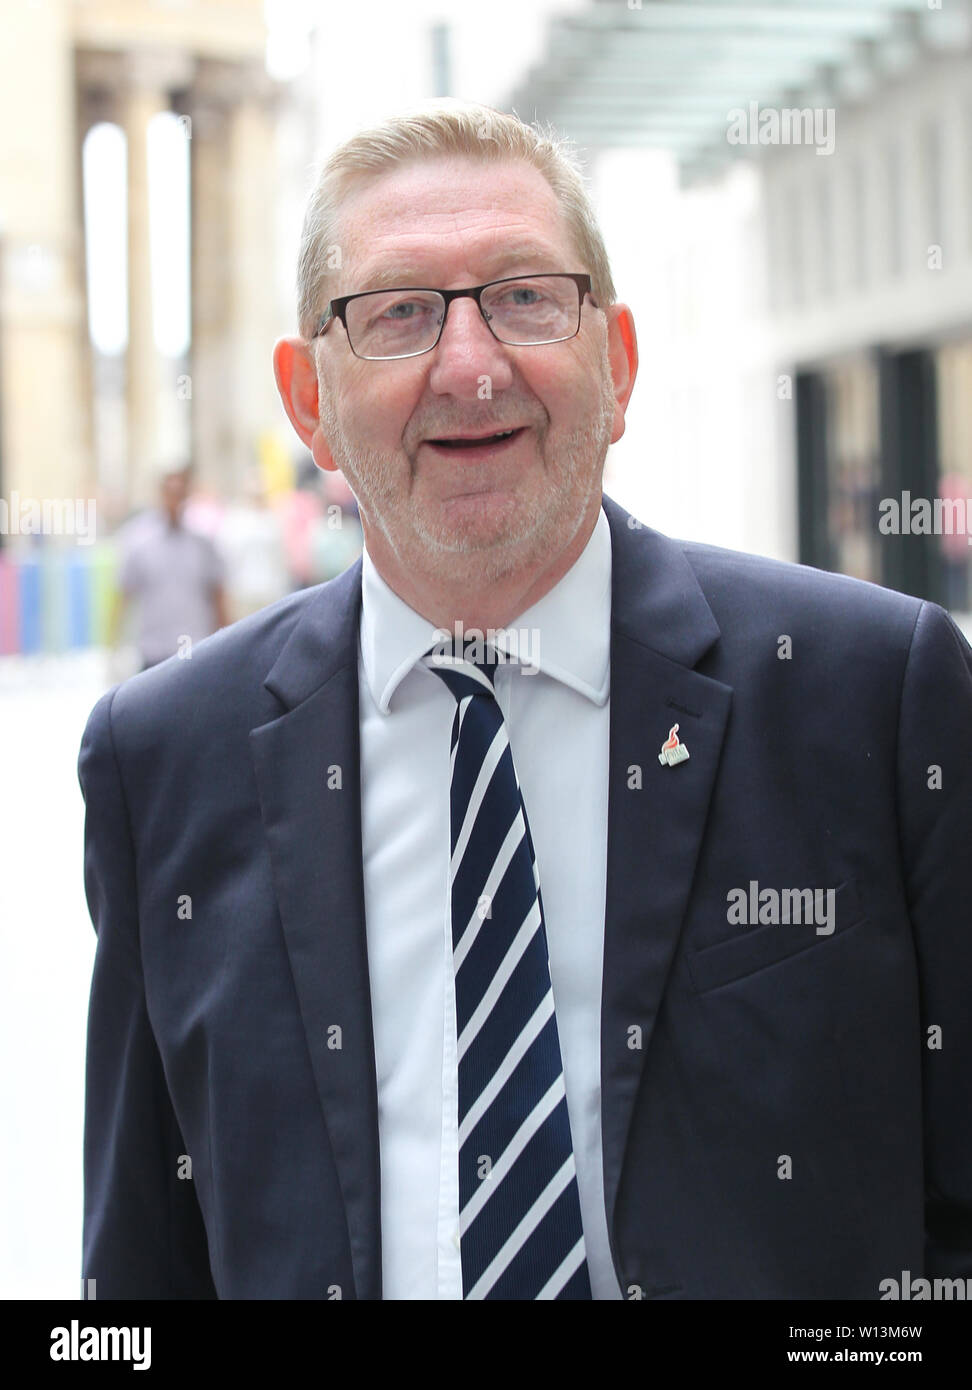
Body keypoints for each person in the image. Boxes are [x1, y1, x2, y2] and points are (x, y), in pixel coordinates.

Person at [78, 100, 972, 1301]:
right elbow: (142, 1269)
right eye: (398, 312)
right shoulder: (164, 758)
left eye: (525, 296)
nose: (469, 363)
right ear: (309, 399)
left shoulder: (872, 696)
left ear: (619, 362)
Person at [109, 462, 229, 671]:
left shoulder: (202, 544)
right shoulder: (139, 541)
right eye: (170, 492)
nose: (175, 500)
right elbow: (123, 594)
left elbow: (217, 595)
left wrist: (227, 640)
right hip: (154, 651)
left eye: (180, 493)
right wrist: (113, 644)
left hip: (196, 649)